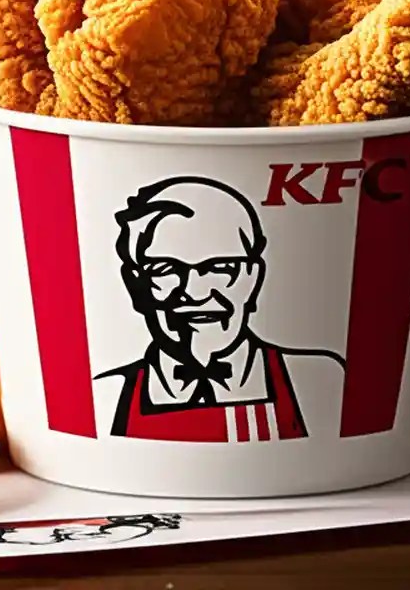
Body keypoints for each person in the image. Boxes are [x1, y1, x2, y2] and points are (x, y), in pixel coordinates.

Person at [97, 177, 343, 442]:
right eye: (165, 269)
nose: (195, 292)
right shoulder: (106, 392)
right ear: (135, 285)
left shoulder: (315, 376)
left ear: (253, 278)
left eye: (220, 268)